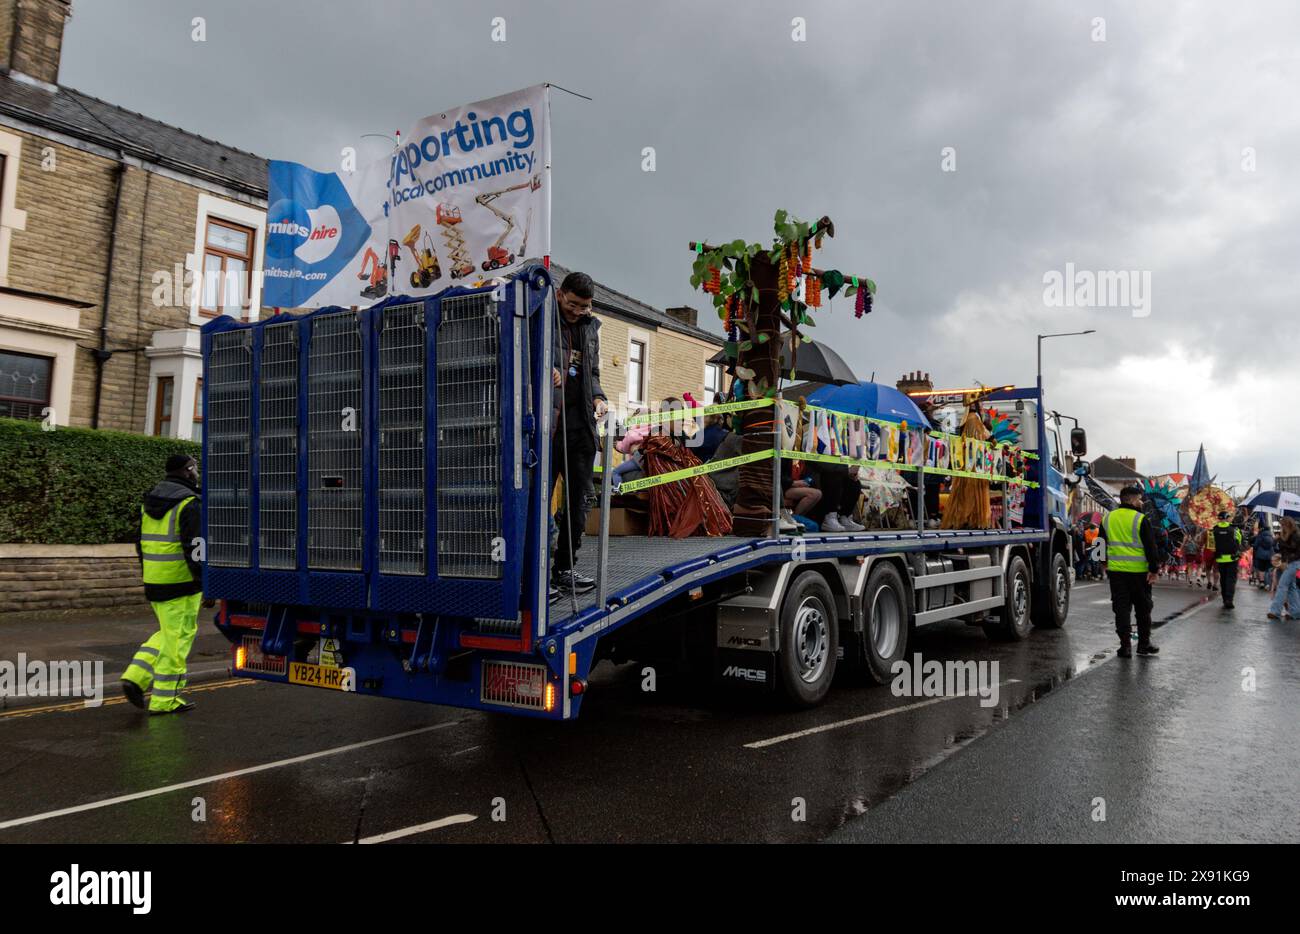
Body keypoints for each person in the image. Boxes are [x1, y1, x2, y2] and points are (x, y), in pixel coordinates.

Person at [120, 454, 203, 714]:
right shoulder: (189, 503)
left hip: (155, 580)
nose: (197, 473)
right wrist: (205, 582)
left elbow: (139, 543)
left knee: (168, 632)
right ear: (188, 472)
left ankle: (136, 676)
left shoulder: (149, 501)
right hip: (182, 582)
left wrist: (148, 573)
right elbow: (196, 549)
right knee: (178, 640)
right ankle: (165, 700)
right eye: (195, 469)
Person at [550, 271, 607, 594]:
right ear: (560, 295)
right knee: (537, 502)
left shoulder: (590, 329)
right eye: (573, 304)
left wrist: (599, 397)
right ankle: (533, 574)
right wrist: (546, 370)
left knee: (579, 502)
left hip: (581, 427)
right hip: (549, 427)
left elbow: (593, 373)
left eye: (584, 307)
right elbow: (525, 357)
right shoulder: (541, 318)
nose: (578, 311)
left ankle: (564, 568)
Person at [1100, 485, 1161, 657]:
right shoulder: (1141, 519)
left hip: (1117, 573)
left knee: (1121, 609)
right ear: (1133, 500)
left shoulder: (1107, 518)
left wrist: (1103, 563)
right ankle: (1143, 644)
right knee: (1143, 609)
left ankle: (1125, 646)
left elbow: (1099, 543)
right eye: (1139, 499)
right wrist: (1154, 569)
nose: (1141, 502)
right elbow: (1151, 546)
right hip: (1140, 574)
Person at [1267, 516, 1300, 620]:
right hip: (1288, 563)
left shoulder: (1295, 536)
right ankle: (1295, 612)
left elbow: (1296, 552)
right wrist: (1277, 540)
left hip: (1294, 563)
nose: (1281, 527)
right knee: (1291, 587)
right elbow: (1277, 548)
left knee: (1282, 585)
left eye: (1283, 525)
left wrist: (1282, 542)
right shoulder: (1284, 535)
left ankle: (1275, 611)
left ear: (1288, 525)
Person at [1211, 511, 1243, 609]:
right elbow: (1239, 540)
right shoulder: (1234, 529)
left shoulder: (1214, 529)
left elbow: (1212, 544)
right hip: (1233, 558)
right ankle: (1229, 600)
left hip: (1220, 558)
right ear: (1227, 517)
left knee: (1223, 579)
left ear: (1219, 518)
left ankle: (1224, 599)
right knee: (1231, 579)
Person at [1251, 521, 1275, 587]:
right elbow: (1274, 545)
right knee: (1268, 569)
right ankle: (1268, 583)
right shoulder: (1271, 535)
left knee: (1261, 569)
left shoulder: (1260, 535)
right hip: (1270, 554)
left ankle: (1261, 582)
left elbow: (1255, 545)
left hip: (1261, 555)